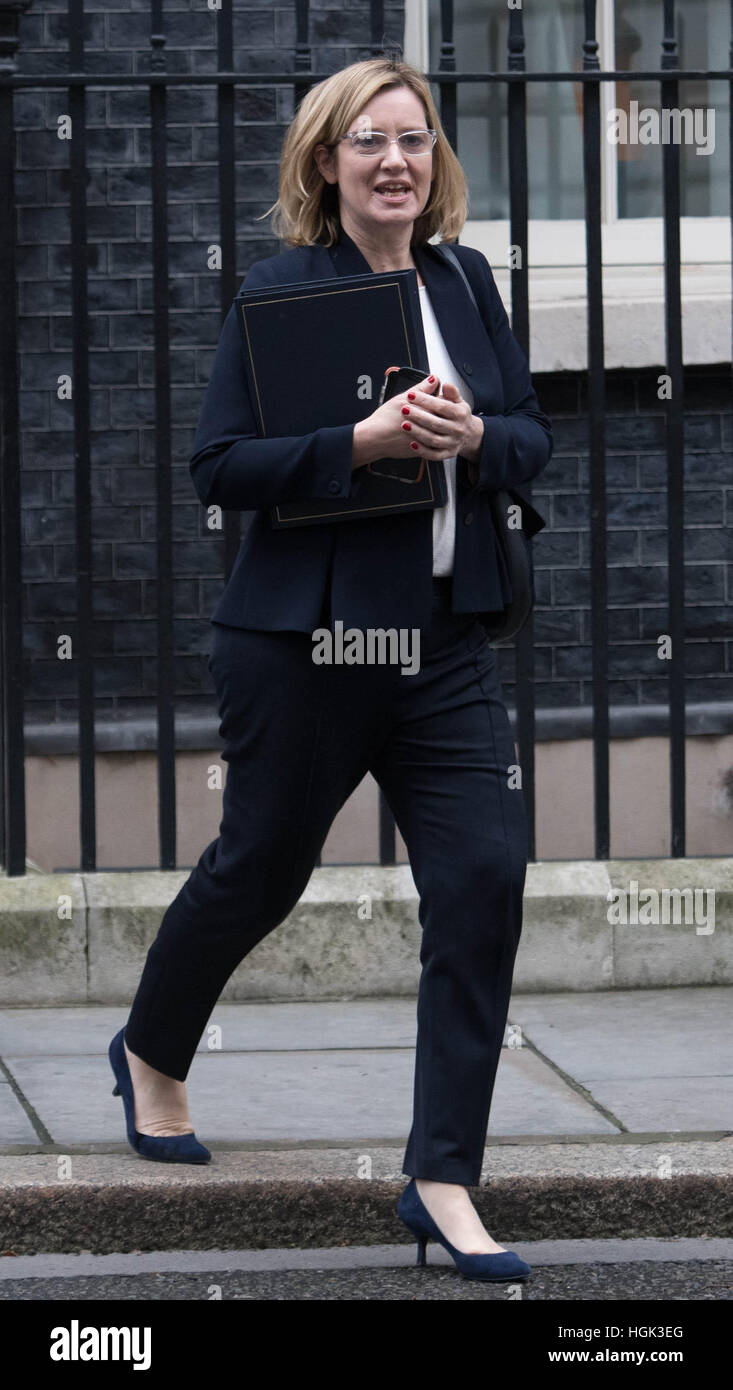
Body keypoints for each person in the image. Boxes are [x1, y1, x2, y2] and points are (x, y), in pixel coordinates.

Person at [109, 55, 553, 1283]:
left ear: (433, 161)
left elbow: (530, 433)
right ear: (327, 163)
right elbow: (217, 468)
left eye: (413, 139)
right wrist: (352, 446)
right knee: (260, 869)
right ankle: (151, 1051)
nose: (396, 161)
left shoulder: (464, 282)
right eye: (369, 142)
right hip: (304, 644)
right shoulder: (280, 291)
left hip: (445, 640)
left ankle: (443, 1175)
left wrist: (477, 437)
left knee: (484, 878)